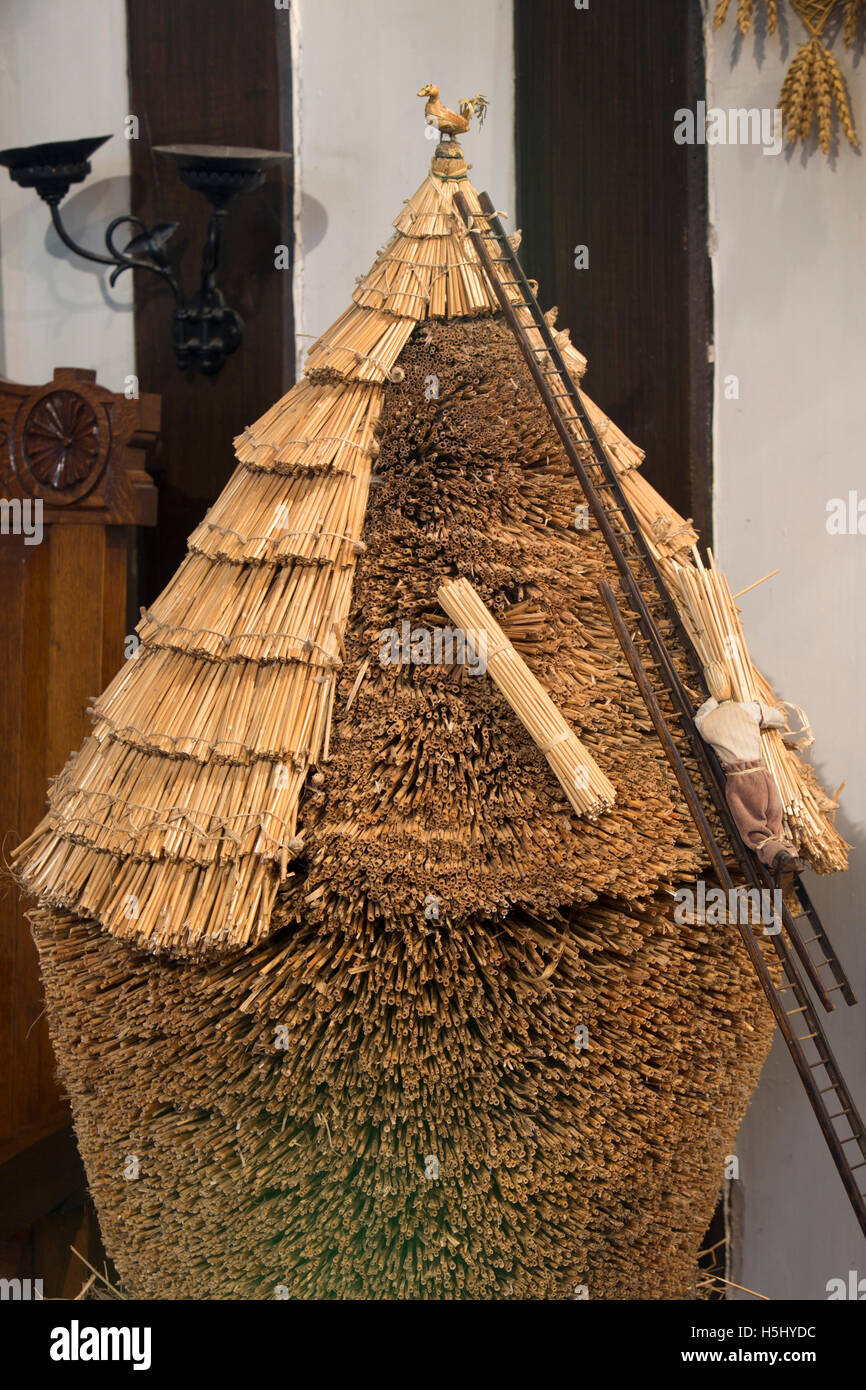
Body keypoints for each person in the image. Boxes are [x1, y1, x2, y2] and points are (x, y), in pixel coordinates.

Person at [694, 661, 805, 888]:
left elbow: (700, 717)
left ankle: (780, 859)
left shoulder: (707, 719)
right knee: (775, 825)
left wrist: (714, 700)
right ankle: (790, 856)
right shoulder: (747, 709)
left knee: (756, 832)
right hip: (764, 774)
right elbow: (779, 718)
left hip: (740, 780)